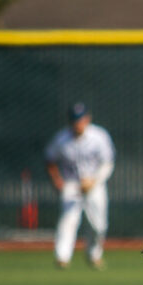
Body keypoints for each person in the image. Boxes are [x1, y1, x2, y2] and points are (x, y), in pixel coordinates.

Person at [44, 103, 115, 269]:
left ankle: (94, 255)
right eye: (75, 120)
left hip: (94, 184)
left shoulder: (99, 136)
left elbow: (108, 163)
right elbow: (50, 160)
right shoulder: (61, 138)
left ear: (88, 119)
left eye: (81, 119)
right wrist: (57, 180)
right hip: (72, 184)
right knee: (68, 220)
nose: (79, 123)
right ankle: (62, 257)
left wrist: (94, 180)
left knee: (99, 225)